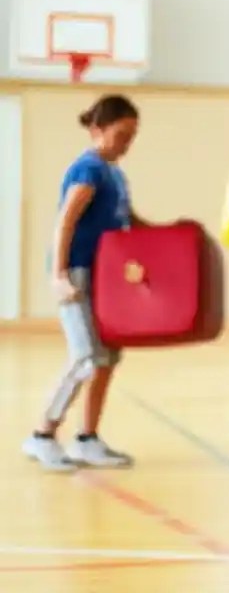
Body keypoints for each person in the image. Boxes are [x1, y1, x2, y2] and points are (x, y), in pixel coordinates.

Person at [23, 95, 150, 471]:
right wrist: (59, 276)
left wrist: (174, 236)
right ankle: (42, 435)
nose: (126, 144)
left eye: (132, 137)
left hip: (104, 278)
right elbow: (65, 221)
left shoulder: (115, 174)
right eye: (121, 134)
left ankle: (87, 439)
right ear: (97, 130)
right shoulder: (88, 169)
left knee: (107, 359)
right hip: (76, 273)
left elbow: (129, 221)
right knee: (84, 355)